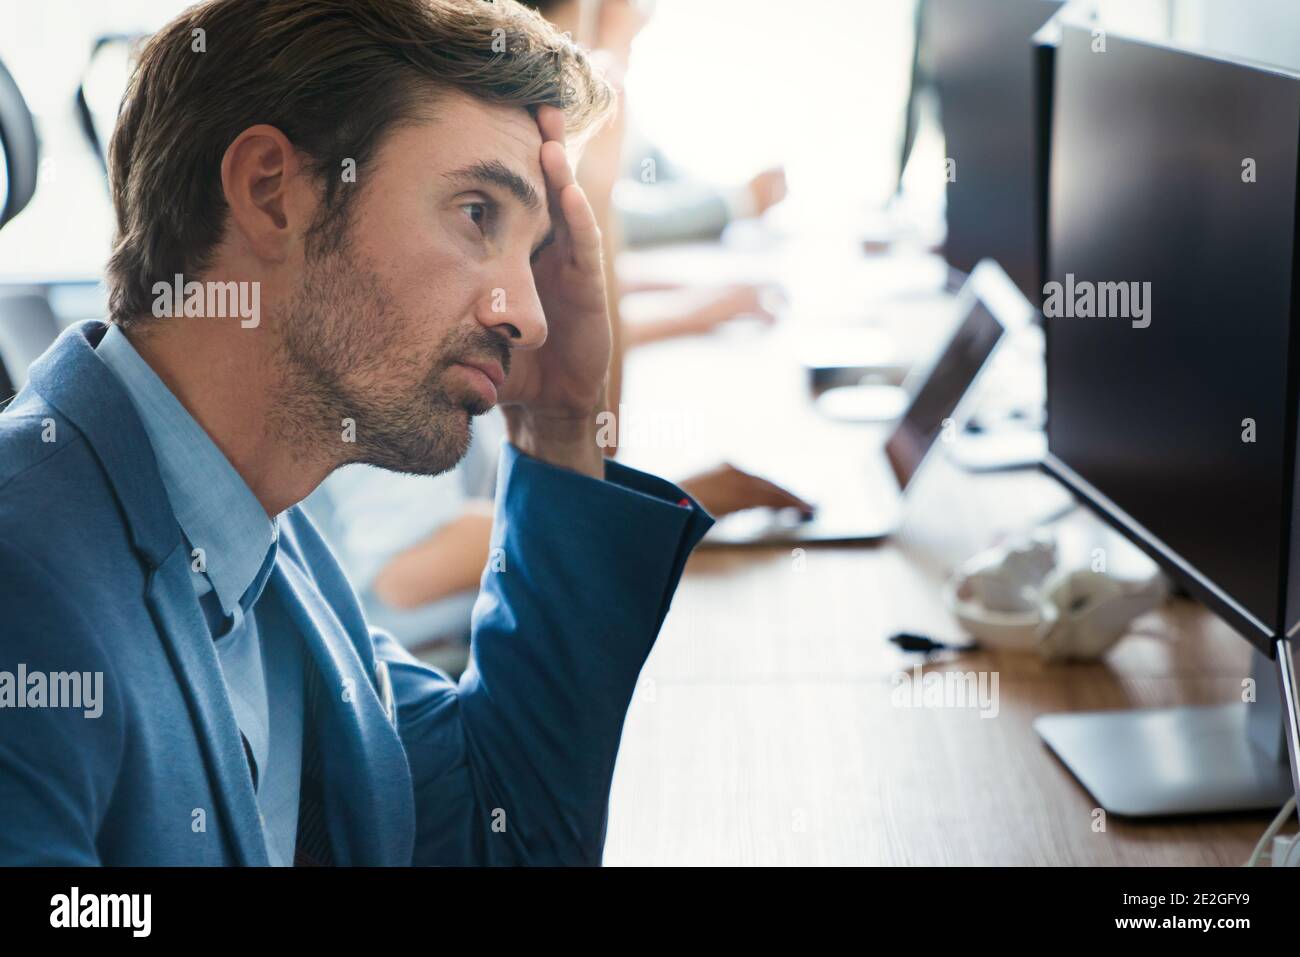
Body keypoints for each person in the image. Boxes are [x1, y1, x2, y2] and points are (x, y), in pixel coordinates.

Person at [0, 0, 714, 866]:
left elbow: (509, 838)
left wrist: (560, 429)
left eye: (532, 254)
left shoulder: (274, 557)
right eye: (479, 214)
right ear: (272, 192)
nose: (528, 315)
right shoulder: (25, 578)